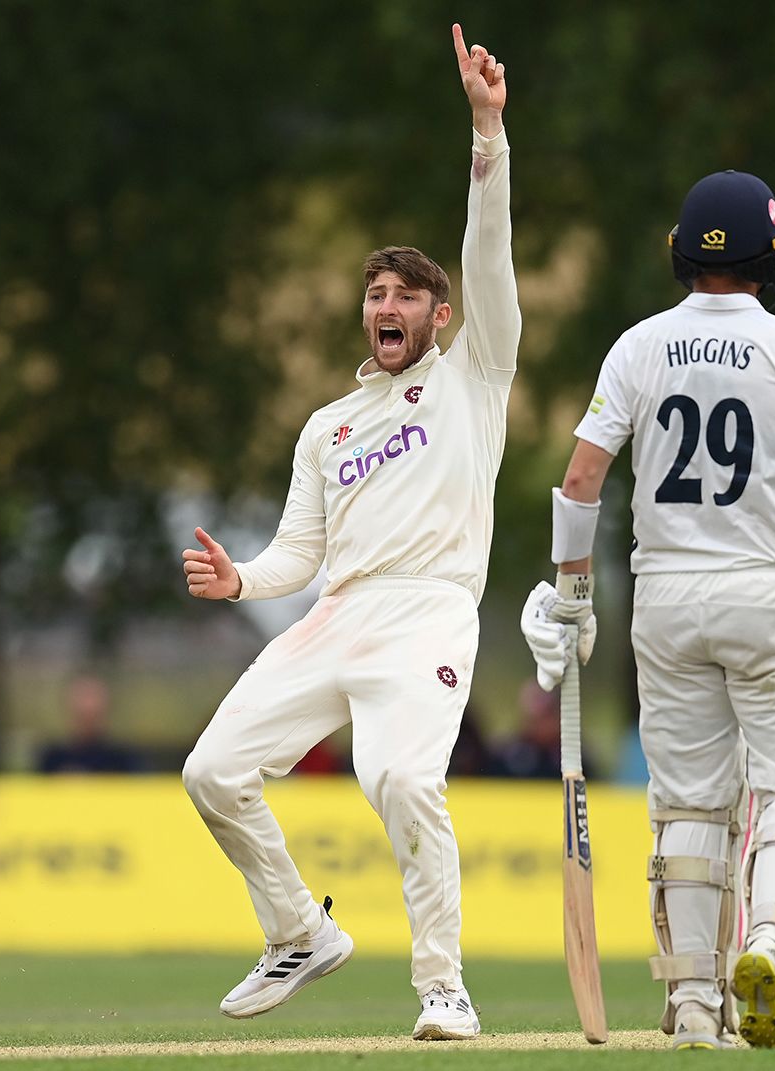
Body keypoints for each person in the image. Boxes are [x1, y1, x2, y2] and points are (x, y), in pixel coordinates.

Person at [521, 171, 775, 1050]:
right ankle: (772, 942)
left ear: (681, 253)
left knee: (690, 810)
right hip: (768, 593)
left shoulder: (637, 348)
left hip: (664, 600)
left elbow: (582, 480)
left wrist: (572, 597)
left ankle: (696, 1007)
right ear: (769, 262)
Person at [179, 24, 517, 1042]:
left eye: (406, 294)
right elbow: (302, 555)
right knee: (210, 773)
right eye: (375, 292)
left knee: (404, 779)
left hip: (427, 616)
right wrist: (243, 581)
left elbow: (488, 250)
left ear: (441, 317)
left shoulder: (473, 376)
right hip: (337, 615)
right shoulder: (327, 426)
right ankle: (298, 932)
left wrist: (485, 132)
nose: (386, 304)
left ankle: (442, 987)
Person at [37, 676, 146, 774]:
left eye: (93, 698)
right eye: (82, 697)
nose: (88, 706)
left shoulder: (124, 758)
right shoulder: (52, 758)